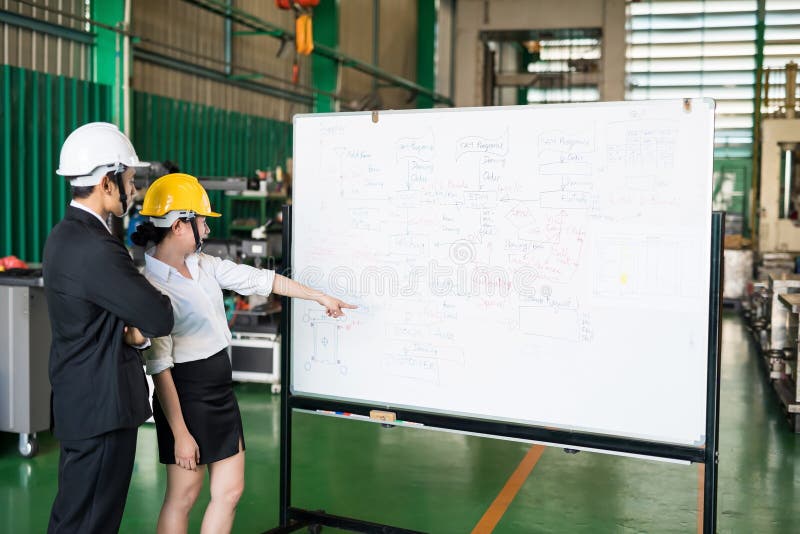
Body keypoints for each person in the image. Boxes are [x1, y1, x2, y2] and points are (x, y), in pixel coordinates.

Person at [130, 173, 356, 534]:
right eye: (201, 220)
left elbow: (261, 280)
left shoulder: (203, 265)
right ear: (177, 226)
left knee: (231, 491)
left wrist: (319, 296)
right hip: (185, 396)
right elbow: (160, 367)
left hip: (220, 389)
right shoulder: (152, 286)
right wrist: (180, 432)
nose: (206, 228)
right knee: (184, 496)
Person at [43, 122, 176, 533]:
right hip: (102, 407)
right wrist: (134, 329)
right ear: (106, 182)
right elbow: (159, 315)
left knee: (75, 517)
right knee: (91, 523)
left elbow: (103, 311)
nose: (133, 189)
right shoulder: (95, 247)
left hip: (81, 401)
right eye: (130, 180)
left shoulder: (64, 235)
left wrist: (125, 329)